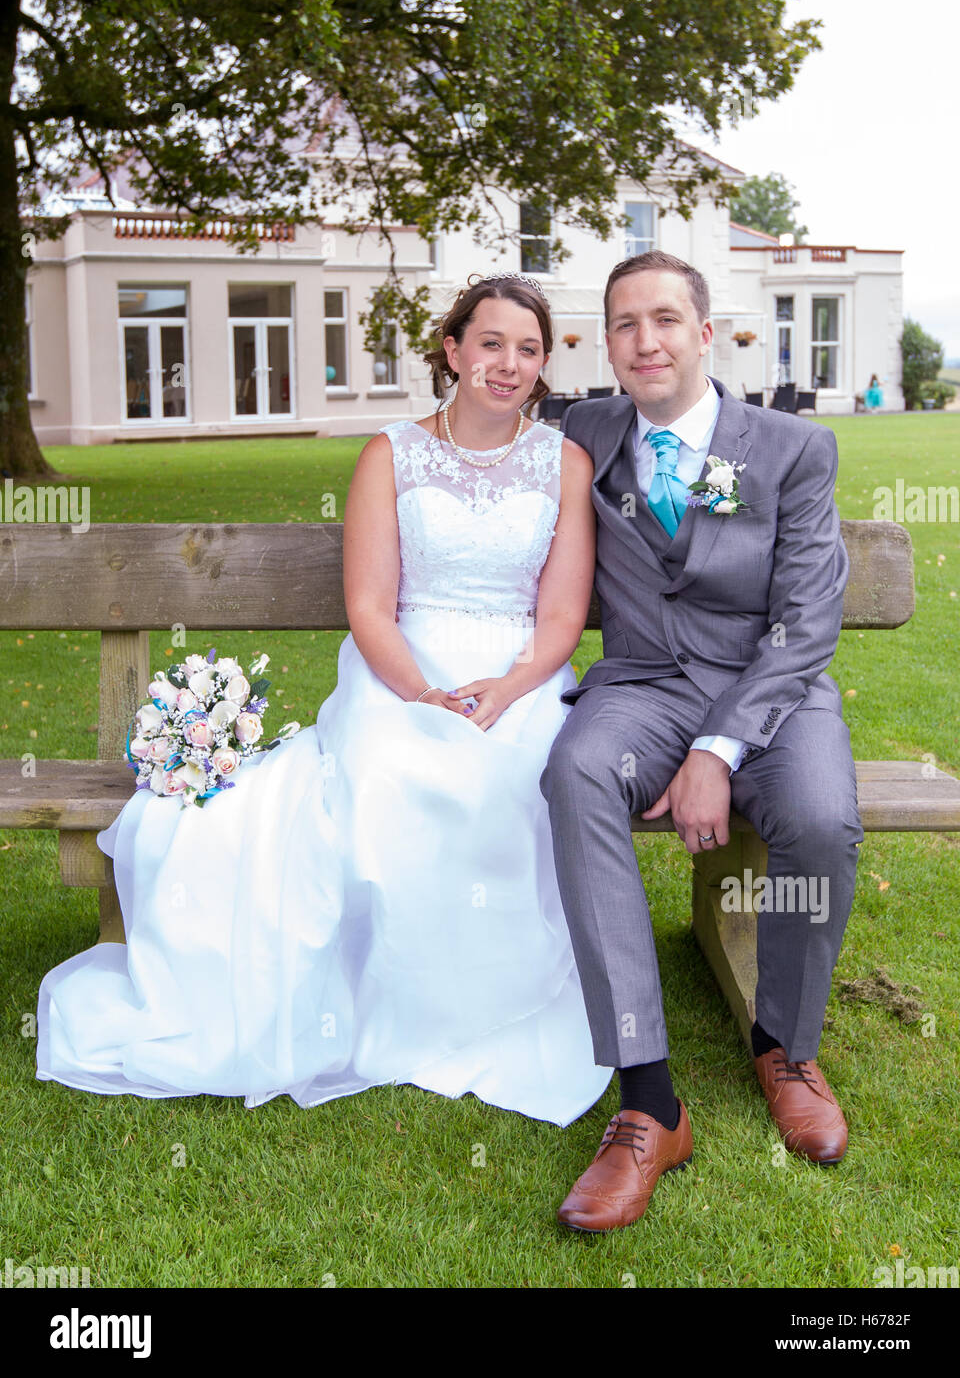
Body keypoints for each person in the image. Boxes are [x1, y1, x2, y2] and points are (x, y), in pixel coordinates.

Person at [36, 272, 613, 1127]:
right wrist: (421, 694)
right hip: (401, 668)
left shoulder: (564, 462)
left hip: (520, 673)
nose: (509, 363)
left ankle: (488, 1001)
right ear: (453, 351)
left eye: (529, 349)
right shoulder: (391, 453)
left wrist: (511, 685)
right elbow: (370, 606)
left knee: (519, 778)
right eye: (491, 343)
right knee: (384, 775)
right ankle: (382, 995)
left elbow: (563, 615)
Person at [540, 250, 864, 1233]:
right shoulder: (583, 433)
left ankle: (783, 1043)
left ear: (705, 333)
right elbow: (478, 402)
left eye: (667, 320)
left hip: (773, 692)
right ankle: (648, 1099)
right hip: (643, 687)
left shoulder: (787, 451)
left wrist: (719, 750)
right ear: (607, 342)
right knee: (576, 769)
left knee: (817, 816)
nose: (646, 340)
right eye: (626, 324)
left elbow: (807, 623)